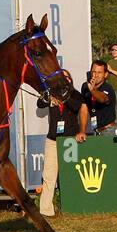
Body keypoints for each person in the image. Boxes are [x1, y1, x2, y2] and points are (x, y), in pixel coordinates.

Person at [36, 70, 87, 217]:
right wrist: (48, 97)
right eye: (62, 77)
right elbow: (40, 103)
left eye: (67, 77)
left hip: (69, 140)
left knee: (68, 174)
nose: (64, 79)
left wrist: (64, 97)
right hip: (53, 138)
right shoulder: (51, 92)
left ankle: (72, 206)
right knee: (49, 174)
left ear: (70, 79)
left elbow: (78, 107)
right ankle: (46, 210)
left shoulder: (75, 94)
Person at [81, 59, 117, 134]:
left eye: (99, 72)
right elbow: (84, 108)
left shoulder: (108, 88)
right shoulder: (85, 86)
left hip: (108, 130)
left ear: (106, 74)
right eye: (94, 72)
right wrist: (82, 131)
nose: (96, 75)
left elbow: (103, 99)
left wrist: (93, 91)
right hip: (93, 131)